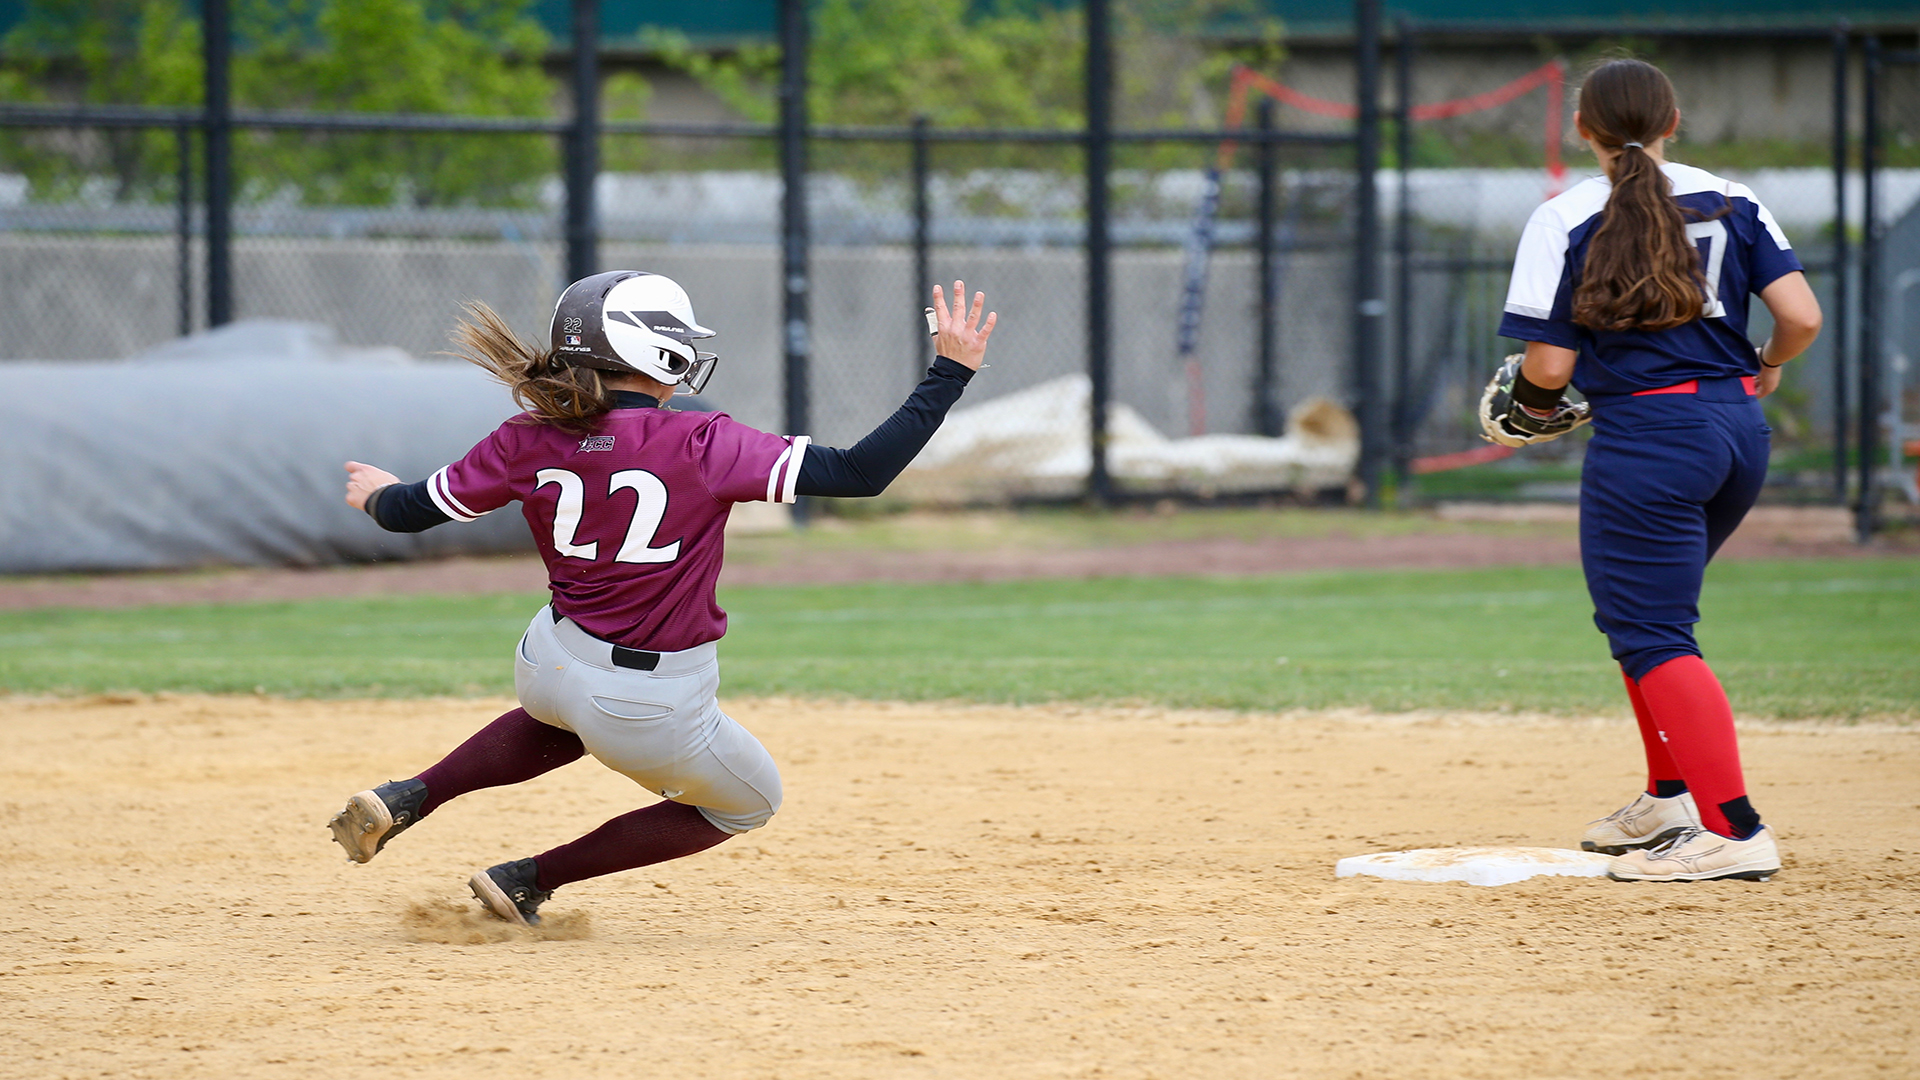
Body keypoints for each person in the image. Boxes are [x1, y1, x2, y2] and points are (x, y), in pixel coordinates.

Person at [328, 271, 998, 923]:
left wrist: (380, 495)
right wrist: (950, 372)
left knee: (568, 719)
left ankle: (410, 794)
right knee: (748, 802)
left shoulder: (524, 437)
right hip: (643, 700)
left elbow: (407, 511)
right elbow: (861, 472)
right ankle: (528, 880)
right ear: (654, 352)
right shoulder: (702, 440)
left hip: (546, 659)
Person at [1494, 59, 1822, 882]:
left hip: (1652, 439)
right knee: (1644, 622)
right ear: (1673, 121)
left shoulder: (1565, 215)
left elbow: (1549, 366)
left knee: (1652, 632)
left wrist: (1529, 409)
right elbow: (1801, 317)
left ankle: (1734, 831)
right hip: (1737, 430)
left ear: (1583, 130)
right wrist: (1767, 365)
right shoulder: (1732, 197)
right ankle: (1670, 798)